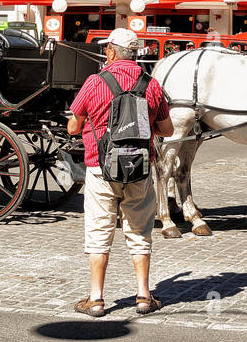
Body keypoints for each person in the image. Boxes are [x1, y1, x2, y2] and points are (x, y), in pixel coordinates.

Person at [67, 27, 174, 318]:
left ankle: (97, 299)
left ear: (112, 51)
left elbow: (73, 127)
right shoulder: (151, 84)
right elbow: (168, 129)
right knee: (140, 233)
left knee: (99, 233)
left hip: (100, 168)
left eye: (106, 49)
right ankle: (143, 296)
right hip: (139, 169)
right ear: (135, 53)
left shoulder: (94, 82)